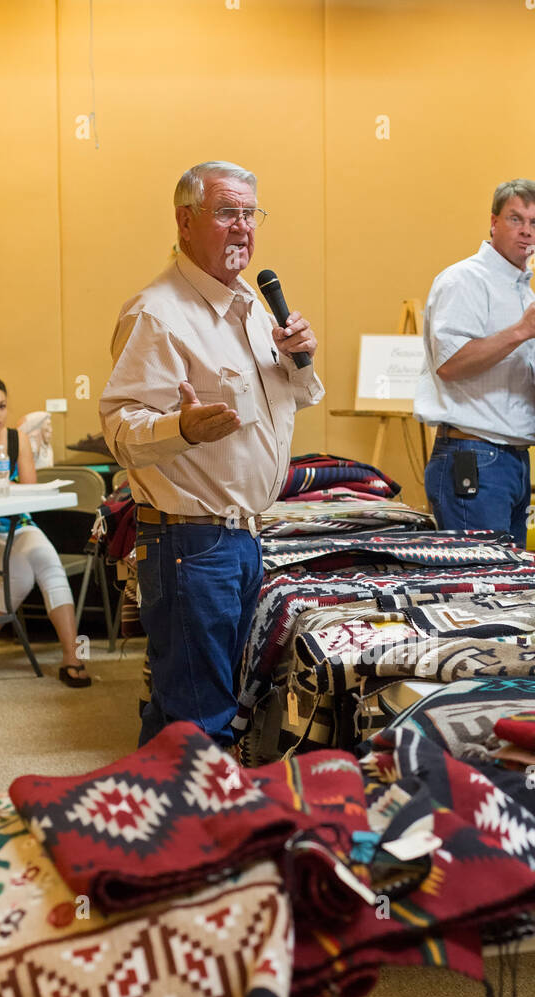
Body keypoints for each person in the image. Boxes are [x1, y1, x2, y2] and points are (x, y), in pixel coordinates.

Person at [99, 160, 323, 749]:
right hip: (189, 546)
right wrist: (183, 429)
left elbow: (288, 404)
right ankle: (203, 832)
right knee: (203, 721)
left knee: (183, 705)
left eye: (251, 213)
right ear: (185, 221)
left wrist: (300, 360)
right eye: (227, 212)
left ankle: (152, 823)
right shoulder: (157, 313)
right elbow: (120, 430)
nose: (243, 226)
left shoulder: (250, 307)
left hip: (242, 540)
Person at [414, 178, 535, 546]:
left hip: (511, 460)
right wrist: (521, 330)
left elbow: (513, 363)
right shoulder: (464, 280)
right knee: (482, 588)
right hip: (474, 455)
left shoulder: (521, 289)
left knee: (509, 592)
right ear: (493, 221)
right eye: (516, 219)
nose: (526, 231)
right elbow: (450, 364)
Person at [0, 372, 91, 685]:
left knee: (49, 562)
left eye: (2, 406)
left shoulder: (18, 441)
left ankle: (72, 657)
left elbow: (29, 492)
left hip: (19, 525)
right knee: (19, 571)